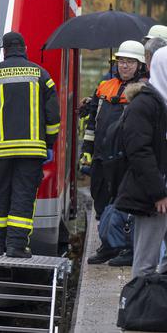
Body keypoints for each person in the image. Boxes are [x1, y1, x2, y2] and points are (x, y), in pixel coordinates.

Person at [0, 31, 60, 258]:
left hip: (2, 149)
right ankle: (17, 246)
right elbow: (53, 115)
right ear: (25, 49)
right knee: (24, 196)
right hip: (33, 150)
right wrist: (49, 144)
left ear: (4, 51)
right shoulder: (42, 75)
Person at [81, 41, 147, 265]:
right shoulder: (103, 87)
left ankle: (127, 248)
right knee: (100, 201)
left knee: (126, 204)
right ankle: (109, 245)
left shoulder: (143, 90)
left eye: (129, 62)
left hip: (126, 158)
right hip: (101, 156)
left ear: (140, 65)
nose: (124, 66)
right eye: (121, 61)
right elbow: (92, 123)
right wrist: (86, 152)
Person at [113, 47, 167, 279]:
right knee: (146, 262)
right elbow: (139, 152)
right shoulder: (145, 104)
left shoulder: (160, 102)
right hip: (153, 196)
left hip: (159, 191)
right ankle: (137, 311)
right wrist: (158, 193)